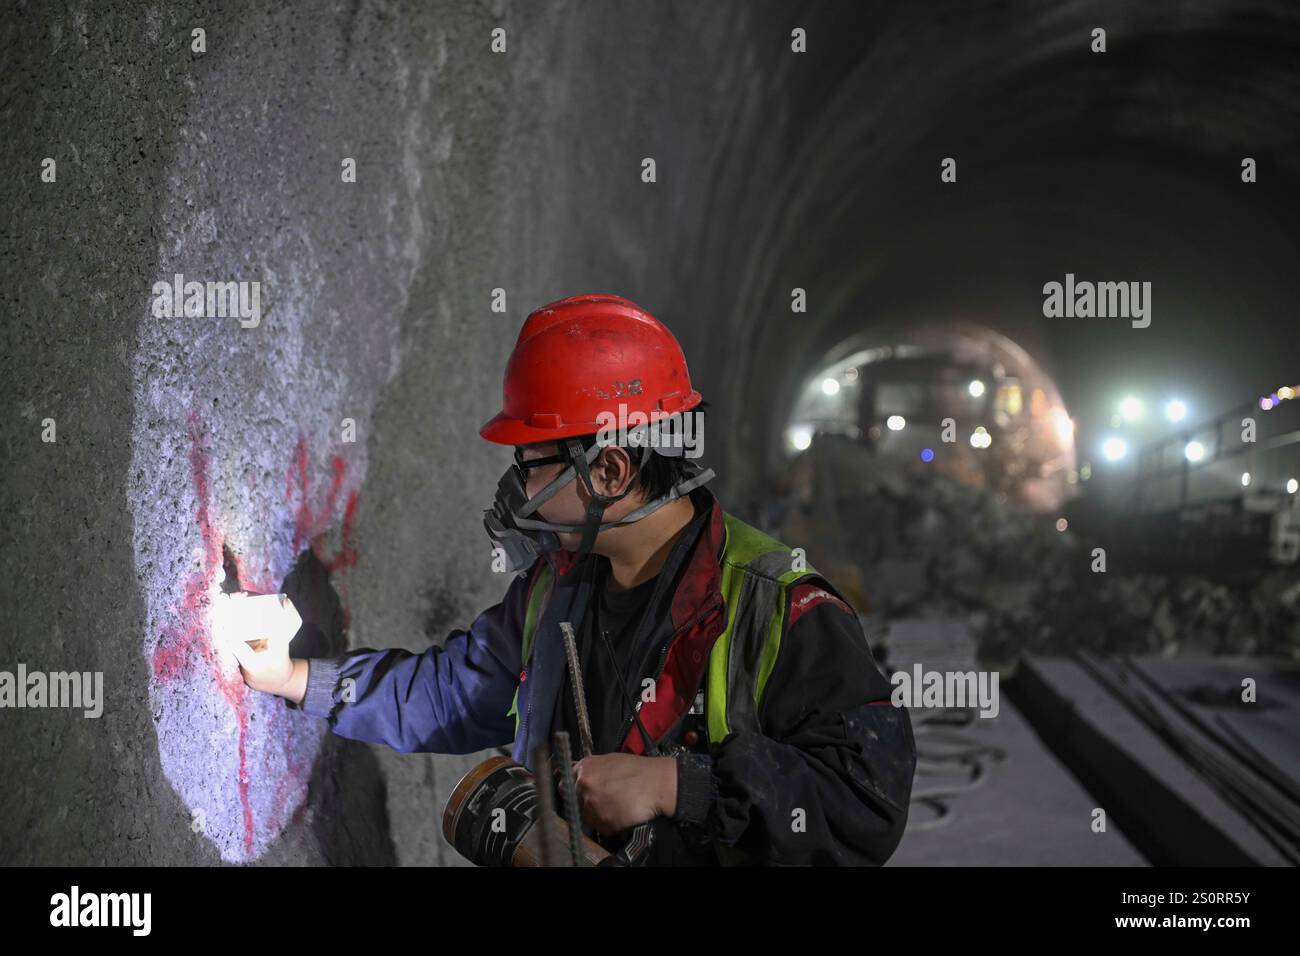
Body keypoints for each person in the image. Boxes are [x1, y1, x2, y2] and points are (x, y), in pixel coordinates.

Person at [219, 293, 916, 865]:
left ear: (609, 471)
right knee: (490, 808)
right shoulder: (559, 590)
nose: (517, 486)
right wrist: (296, 678)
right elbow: (452, 692)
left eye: (532, 462)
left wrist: (684, 785)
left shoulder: (779, 607)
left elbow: (866, 800)